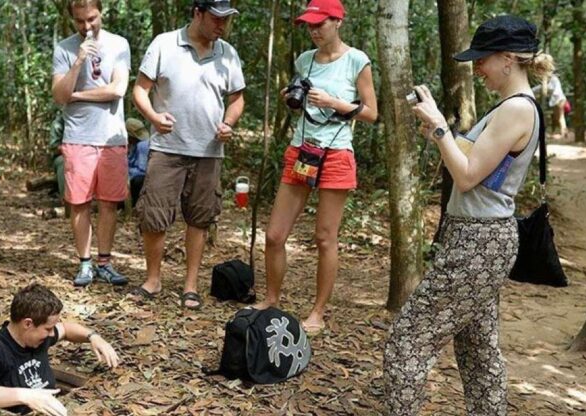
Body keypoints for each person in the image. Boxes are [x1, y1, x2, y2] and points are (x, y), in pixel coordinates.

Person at [383, 15, 554, 415]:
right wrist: (437, 130)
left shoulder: (516, 110)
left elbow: (467, 176)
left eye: (482, 58)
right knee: (479, 350)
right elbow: (470, 161)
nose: (477, 67)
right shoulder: (510, 109)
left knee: (408, 340)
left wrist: (442, 127)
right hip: (482, 239)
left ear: (508, 59)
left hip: (478, 242)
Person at [251, 0, 377, 334]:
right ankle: (271, 299)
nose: (313, 31)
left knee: (324, 238)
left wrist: (333, 102)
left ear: (337, 21)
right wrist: (295, 99)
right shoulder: (304, 60)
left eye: (319, 24)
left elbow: (371, 112)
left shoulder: (357, 60)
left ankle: (318, 312)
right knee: (275, 235)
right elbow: (303, 103)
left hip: (336, 154)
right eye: (309, 25)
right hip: (301, 150)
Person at [130, 0, 246, 310]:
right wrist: (154, 117)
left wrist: (229, 123)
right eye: (216, 18)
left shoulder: (228, 54)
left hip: (209, 151)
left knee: (200, 217)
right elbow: (140, 90)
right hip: (167, 148)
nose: (222, 26)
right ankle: (153, 280)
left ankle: (190, 285)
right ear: (198, 12)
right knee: (154, 215)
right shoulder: (165, 44)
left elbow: (237, 99)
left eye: (227, 20)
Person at [51, 0, 131, 287]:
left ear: (101, 12)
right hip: (78, 136)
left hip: (111, 136)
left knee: (109, 203)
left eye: (92, 19)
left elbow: (117, 89)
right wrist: (78, 62)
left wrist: (79, 95)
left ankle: (105, 262)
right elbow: (60, 95)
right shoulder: (64, 48)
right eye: (80, 21)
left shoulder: (119, 44)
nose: (86, 26)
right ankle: (85, 264)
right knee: (79, 203)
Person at [0, 283, 120, 415]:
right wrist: (25, 396)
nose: (52, 333)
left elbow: (66, 329)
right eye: (48, 328)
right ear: (28, 323)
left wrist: (93, 337)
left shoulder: (39, 337)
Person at [533, 73, 568, 138]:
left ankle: (563, 133)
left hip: (558, 100)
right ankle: (563, 132)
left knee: (560, 117)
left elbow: (554, 90)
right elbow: (540, 87)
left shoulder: (554, 79)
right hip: (556, 101)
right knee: (558, 117)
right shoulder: (549, 81)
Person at [126, 118, 150, 207]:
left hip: (140, 178)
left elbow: (142, 169)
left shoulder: (142, 145)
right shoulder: (131, 145)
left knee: (139, 180)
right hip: (130, 175)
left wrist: (126, 173)